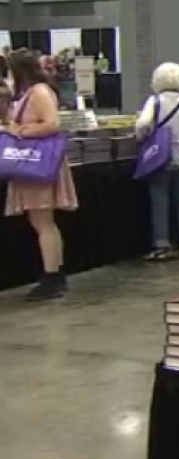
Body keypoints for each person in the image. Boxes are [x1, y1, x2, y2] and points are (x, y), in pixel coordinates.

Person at [3, 49, 77, 300]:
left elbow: (52, 124)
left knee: (43, 222)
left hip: (37, 164)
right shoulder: (31, 93)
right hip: (35, 164)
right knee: (43, 222)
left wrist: (19, 130)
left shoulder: (39, 92)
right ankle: (54, 274)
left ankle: (52, 276)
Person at [136, 63, 179, 261]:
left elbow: (143, 124)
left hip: (161, 158)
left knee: (160, 201)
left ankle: (162, 245)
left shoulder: (154, 101)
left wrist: (143, 136)